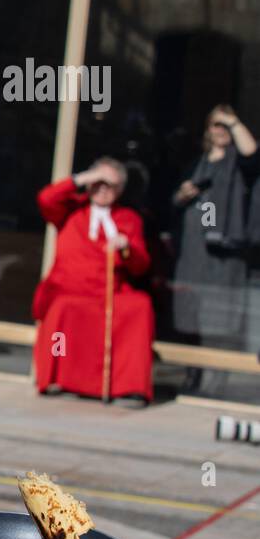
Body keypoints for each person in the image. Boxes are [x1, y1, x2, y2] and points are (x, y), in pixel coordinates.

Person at [32, 158, 154, 405]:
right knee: (62, 310)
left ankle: (128, 386)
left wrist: (126, 246)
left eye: (110, 185)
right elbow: (46, 199)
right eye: (98, 183)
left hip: (109, 291)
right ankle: (58, 377)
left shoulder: (128, 218)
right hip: (69, 289)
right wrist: (82, 178)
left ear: (120, 190)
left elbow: (141, 264)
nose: (102, 189)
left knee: (139, 308)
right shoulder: (71, 210)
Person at [170, 106, 257, 364]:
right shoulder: (197, 163)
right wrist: (182, 195)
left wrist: (233, 122)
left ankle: (214, 377)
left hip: (223, 253)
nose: (220, 130)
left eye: (225, 126)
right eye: (215, 125)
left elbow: (252, 155)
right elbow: (173, 202)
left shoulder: (239, 162)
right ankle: (192, 371)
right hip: (194, 251)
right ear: (207, 129)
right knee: (191, 315)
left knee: (219, 319)